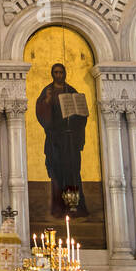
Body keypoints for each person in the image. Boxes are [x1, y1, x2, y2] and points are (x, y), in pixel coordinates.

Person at [36, 63, 89, 216]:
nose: (59, 75)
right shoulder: (48, 91)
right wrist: (46, 101)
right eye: (56, 72)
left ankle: (74, 207)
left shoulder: (71, 91)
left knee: (72, 172)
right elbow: (40, 112)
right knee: (57, 173)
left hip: (70, 139)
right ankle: (59, 207)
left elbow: (82, 117)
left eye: (61, 72)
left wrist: (80, 114)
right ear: (52, 74)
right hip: (55, 139)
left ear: (65, 73)